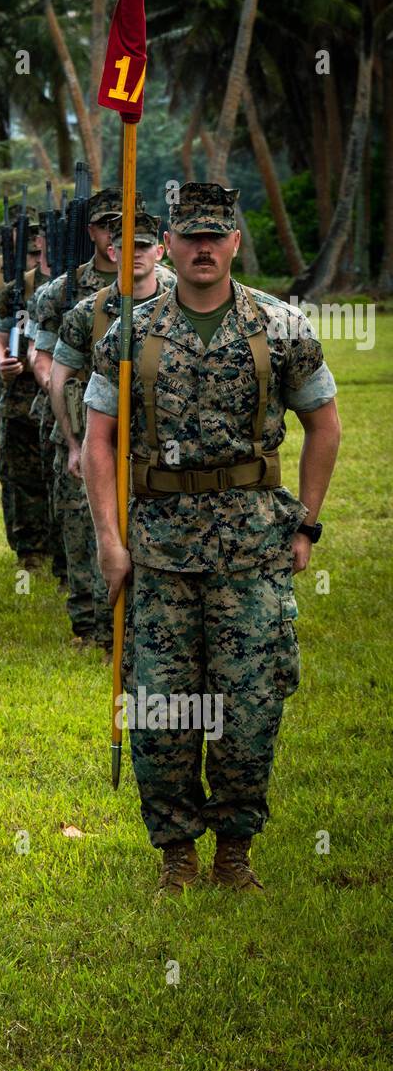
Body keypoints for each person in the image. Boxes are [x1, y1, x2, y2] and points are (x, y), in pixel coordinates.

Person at [82, 183, 341, 897]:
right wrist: (109, 539)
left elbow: (324, 423)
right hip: (159, 549)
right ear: (167, 246)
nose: (201, 248)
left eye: (214, 236)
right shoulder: (130, 333)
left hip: (253, 547)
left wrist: (306, 523)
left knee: (249, 701)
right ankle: (174, 854)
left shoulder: (279, 325)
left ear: (232, 243)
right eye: (188, 237)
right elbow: (96, 442)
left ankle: (233, 849)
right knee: (162, 704)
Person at [51, 212, 175, 654]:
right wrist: (72, 443)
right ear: (112, 252)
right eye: (128, 247)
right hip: (99, 440)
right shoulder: (87, 313)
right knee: (93, 535)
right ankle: (96, 630)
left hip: (159, 452)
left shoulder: (180, 306)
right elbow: (60, 377)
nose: (137, 254)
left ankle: (147, 629)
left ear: (159, 251)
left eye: (145, 247)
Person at [0, 211, 53, 568]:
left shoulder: (73, 285)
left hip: (58, 397)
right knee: (20, 477)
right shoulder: (16, 290)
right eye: (41, 238)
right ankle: (30, 552)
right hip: (20, 397)